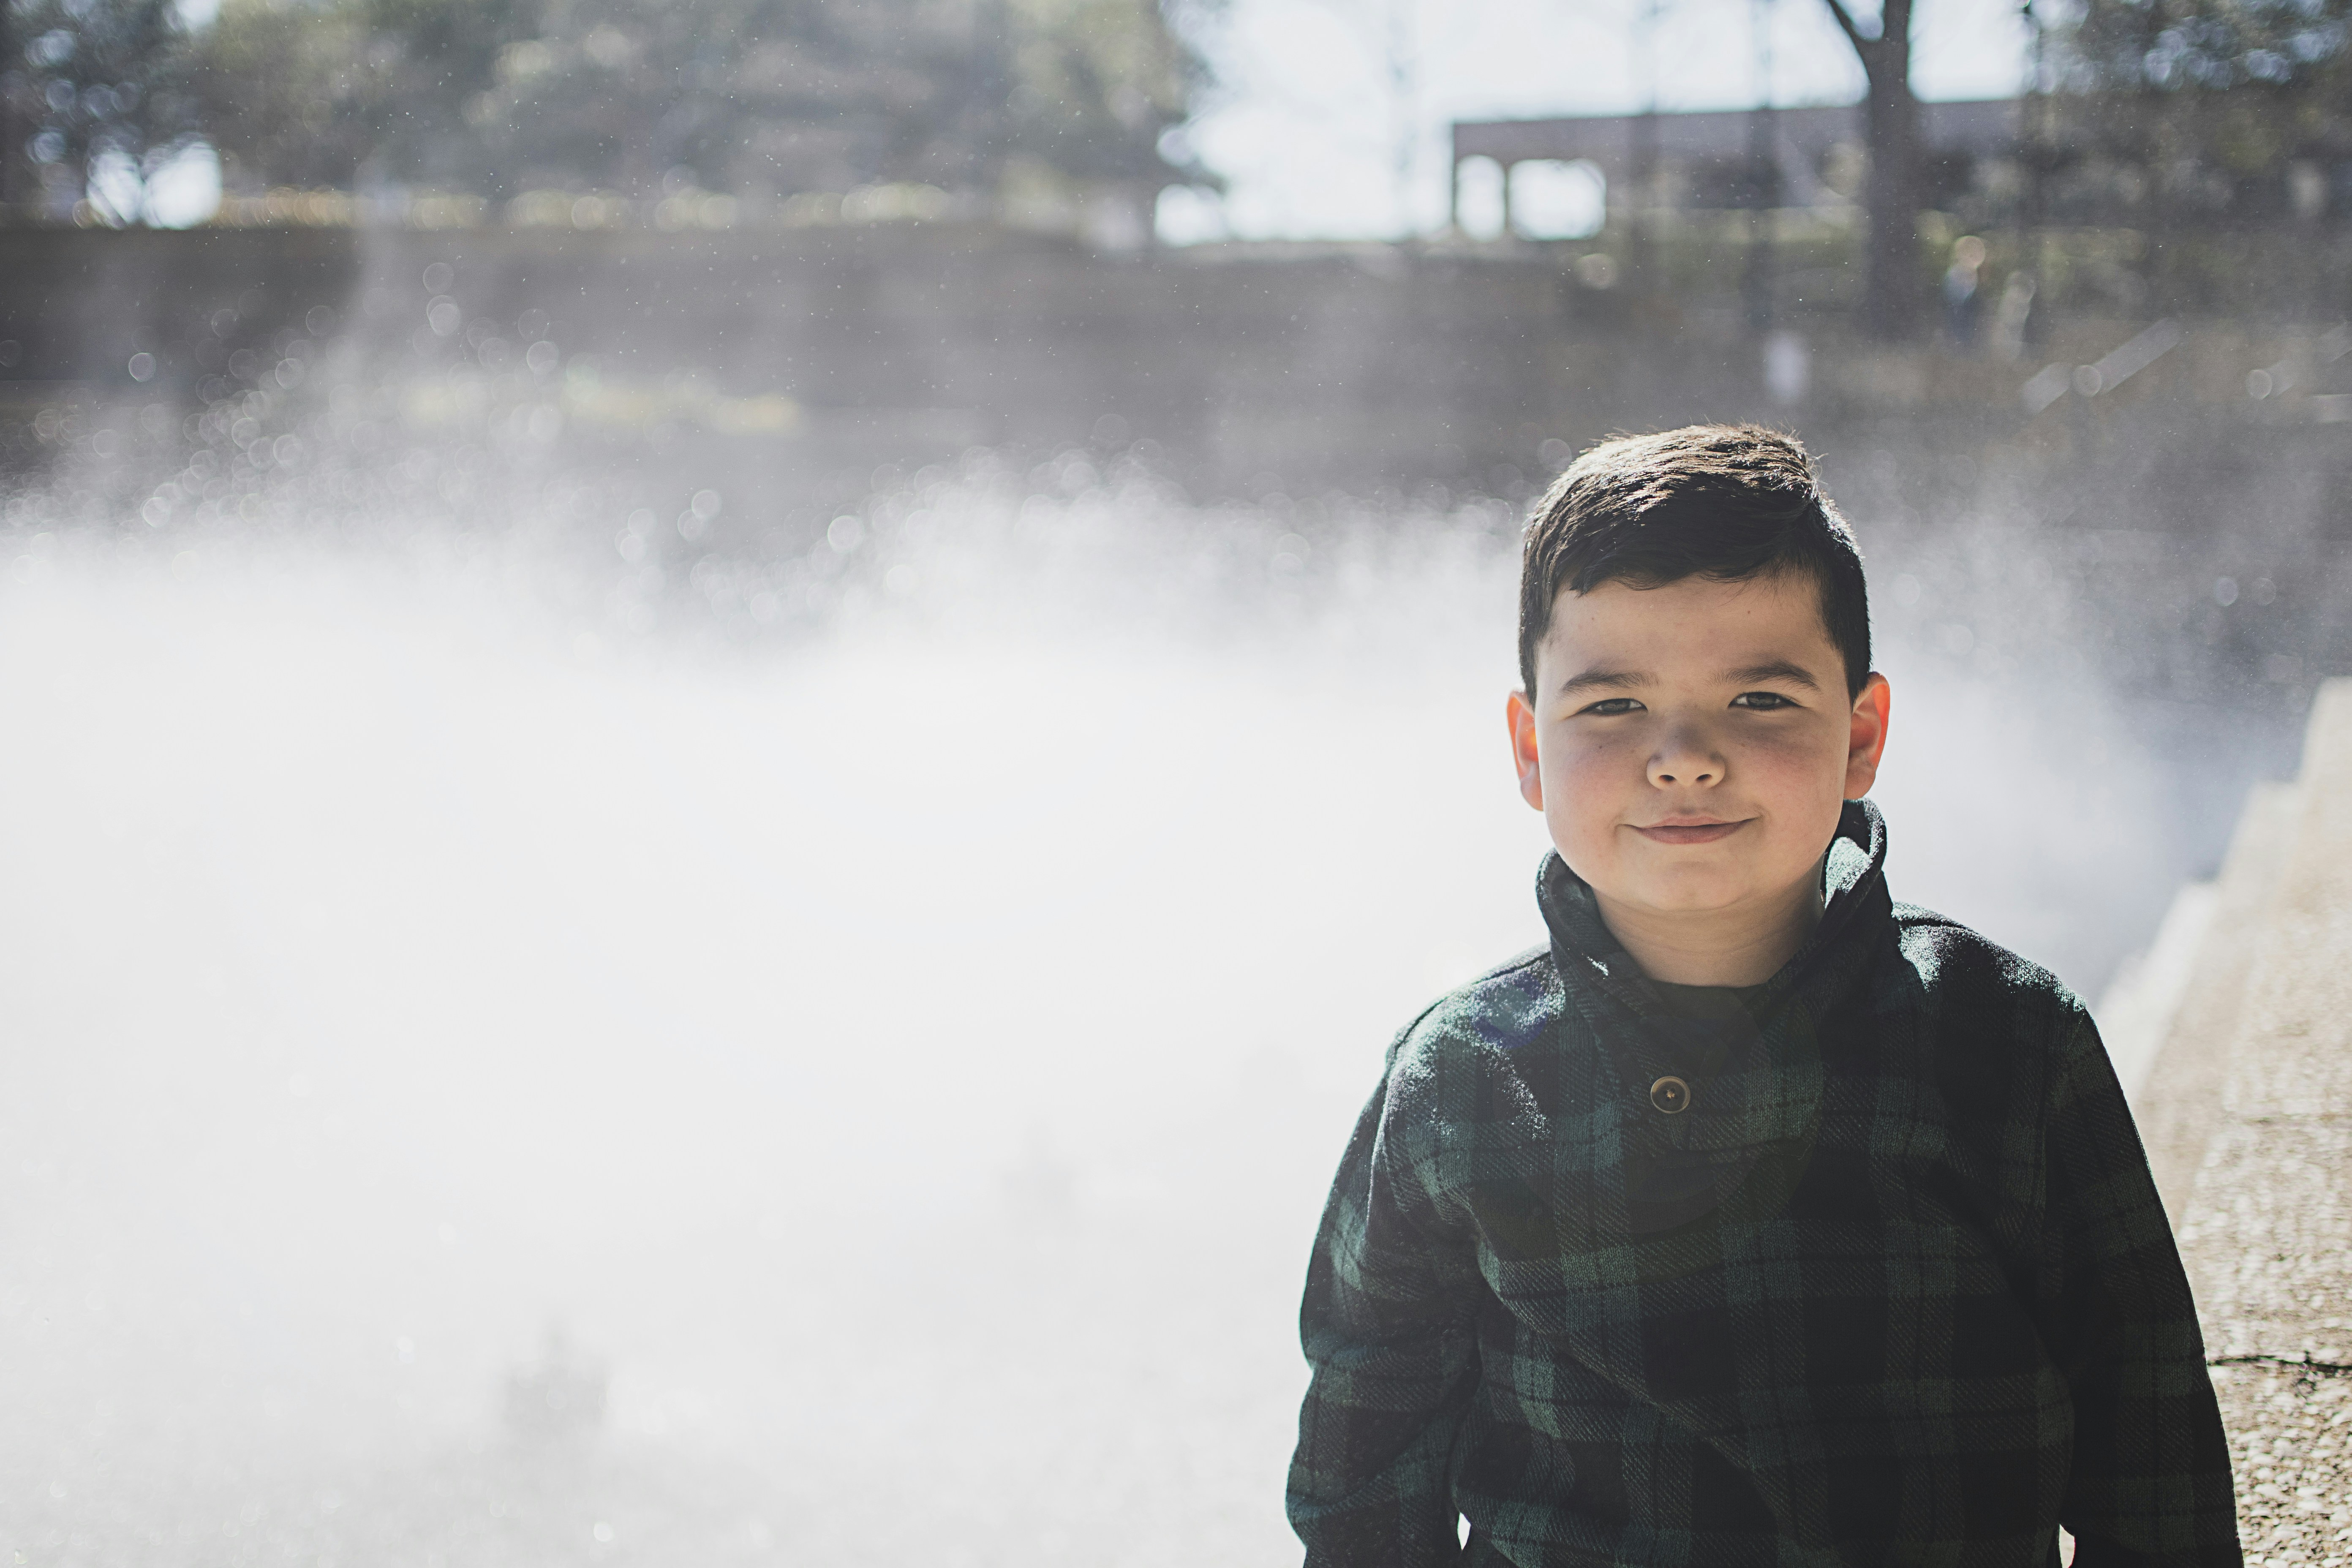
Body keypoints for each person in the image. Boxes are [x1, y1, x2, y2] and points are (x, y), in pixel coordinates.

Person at [1285, 425, 2239, 1565]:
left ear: (1862, 735)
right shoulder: (1461, 1081)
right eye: (1612, 707)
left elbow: (2154, 1445)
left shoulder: (2011, 1040)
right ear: (1531, 749)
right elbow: (1366, 1463)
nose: (1684, 757)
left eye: (1760, 701)